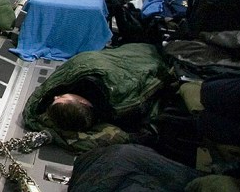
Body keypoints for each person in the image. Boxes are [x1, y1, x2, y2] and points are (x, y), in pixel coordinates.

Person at [21, 42, 174, 151]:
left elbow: (31, 113)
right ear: (81, 101)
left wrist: (51, 133)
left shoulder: (75, 79)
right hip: (141, 60)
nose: (55, 97)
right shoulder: (124, 104)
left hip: (136, 54)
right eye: (61, 98)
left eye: (59, 98)